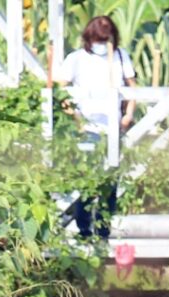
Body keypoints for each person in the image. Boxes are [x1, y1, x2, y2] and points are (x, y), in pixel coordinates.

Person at [57, 16, 136, 239]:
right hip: (87, 128)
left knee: (110, 183)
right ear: (90, 38)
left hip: (114, 128)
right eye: (98, 39)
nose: (102, 44)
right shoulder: (77, 59)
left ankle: (103, 229)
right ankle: (84, 228)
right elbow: (59, 90)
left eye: (106, 39)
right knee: (87, 181)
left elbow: (133, 89)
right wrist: (75, 117)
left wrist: (128, 113)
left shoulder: (120, 56)